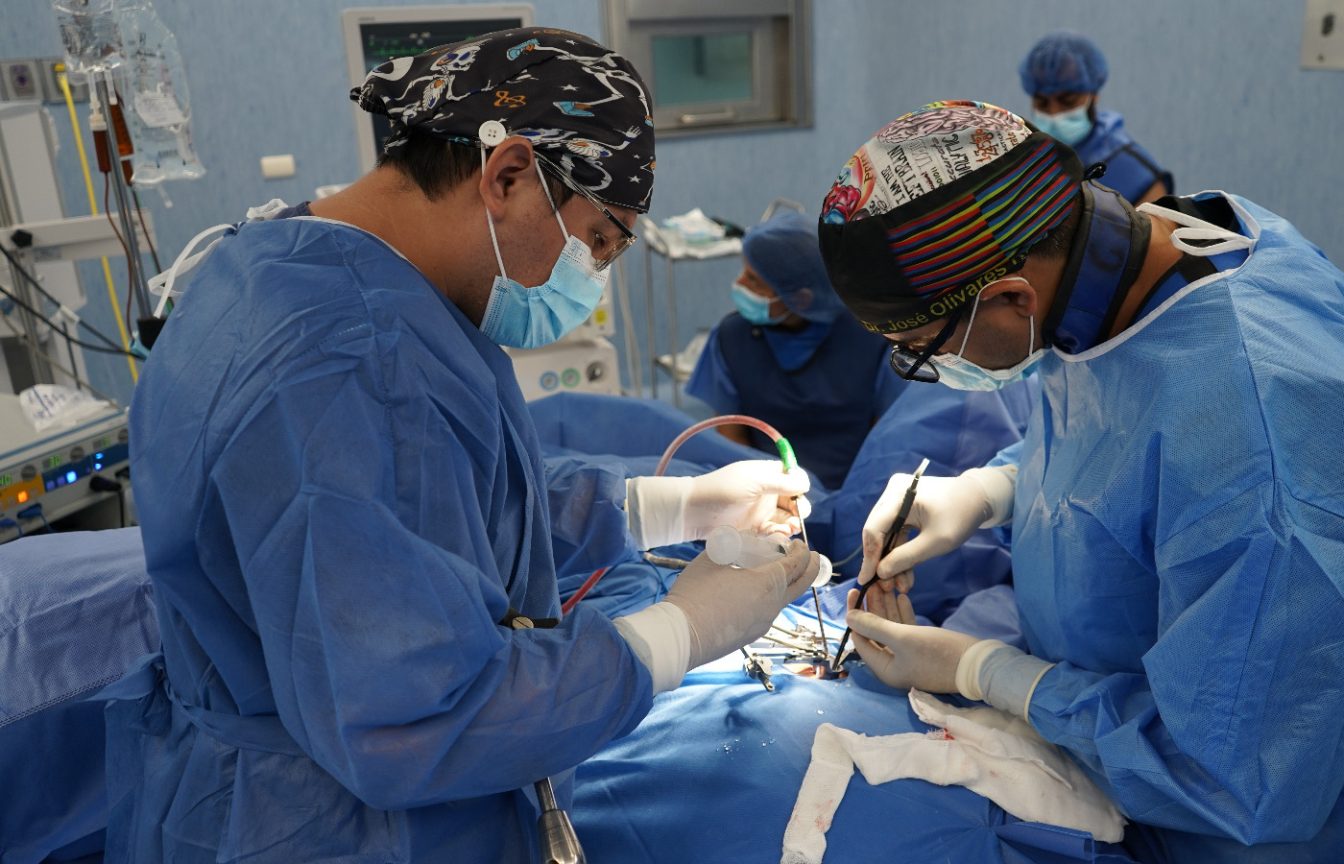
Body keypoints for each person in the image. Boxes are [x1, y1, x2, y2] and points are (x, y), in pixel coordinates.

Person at [108, 28, 822, 862]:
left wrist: (675, 504)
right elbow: (419, 716)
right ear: (507, 176)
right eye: (598, 240)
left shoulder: (273, 268)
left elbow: (435, 505)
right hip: (328, 829)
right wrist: (680, 633)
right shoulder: (351, 362)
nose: (592, 276)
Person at [817, 100, 1344, 862]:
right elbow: (1130, 446)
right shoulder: (1136, 257)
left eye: (919, 349)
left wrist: (982, 669)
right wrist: (988, 493)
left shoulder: (1260, 422)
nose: (923, 371)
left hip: (1302, 824)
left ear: (1011, 298)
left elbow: (1247, 774)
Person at [686, 210, 906, 488]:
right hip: (765, 486)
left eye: (754, 280)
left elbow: (887, 435)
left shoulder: (871, 338)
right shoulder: (732, 338)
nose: (739, 284)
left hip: (857, 486)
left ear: (801, 299)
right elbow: (731, 436)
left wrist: (858, 495)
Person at [1020, 31, 1172, 204]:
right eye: (1042, 103)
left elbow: (1160, 230)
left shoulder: (1135, 174)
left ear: (1094, 95)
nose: (1054, 114)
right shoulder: (1024, 160)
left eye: (1068, 102)